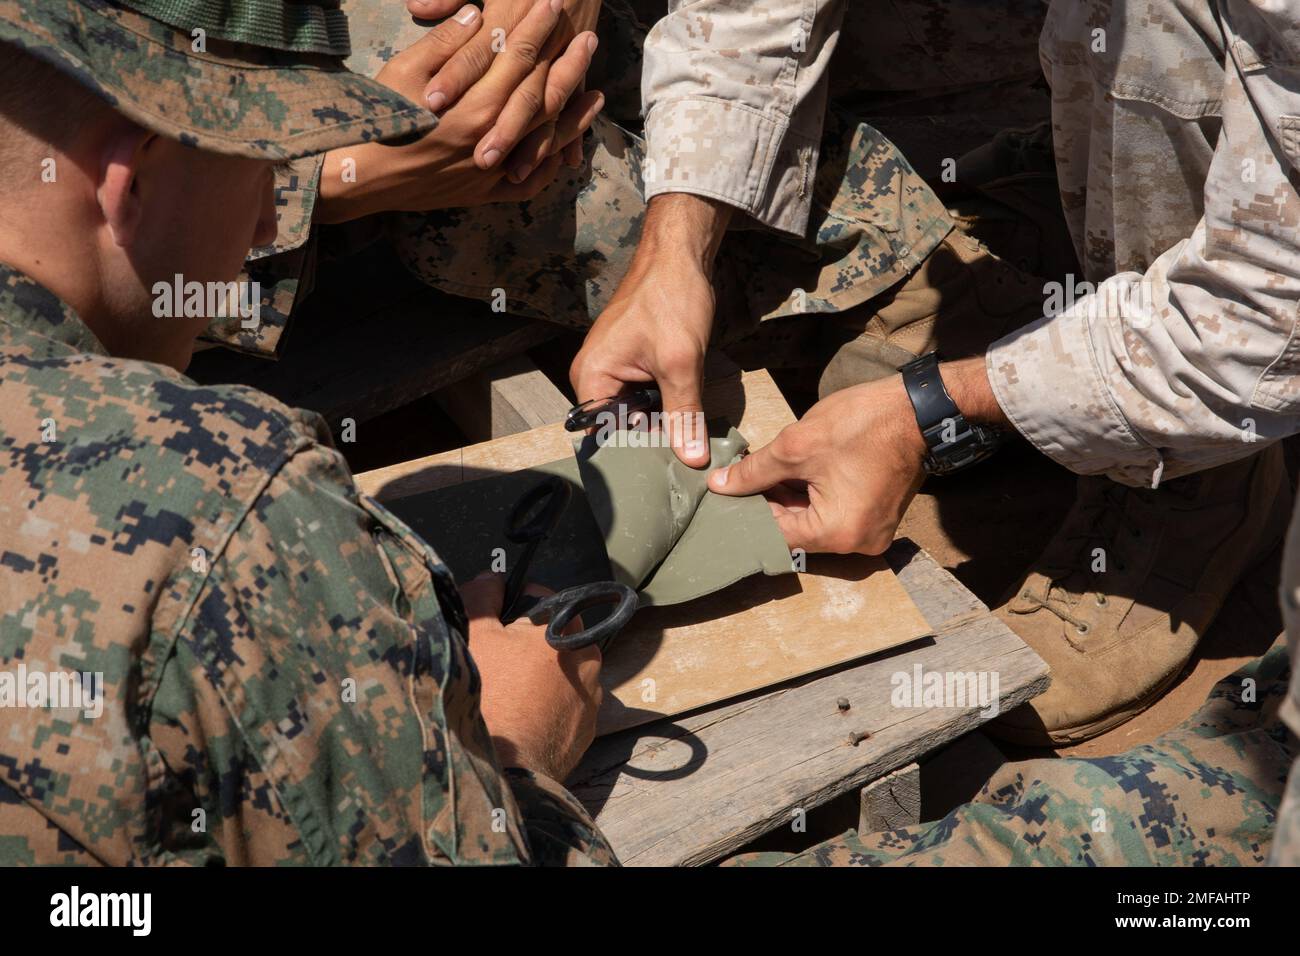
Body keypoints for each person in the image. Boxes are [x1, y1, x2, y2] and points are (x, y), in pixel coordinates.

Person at [0, 0, 614, 866]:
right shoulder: (231, 505)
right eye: (268, 167)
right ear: (128, 181)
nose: (265, 228)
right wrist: (516, 750)